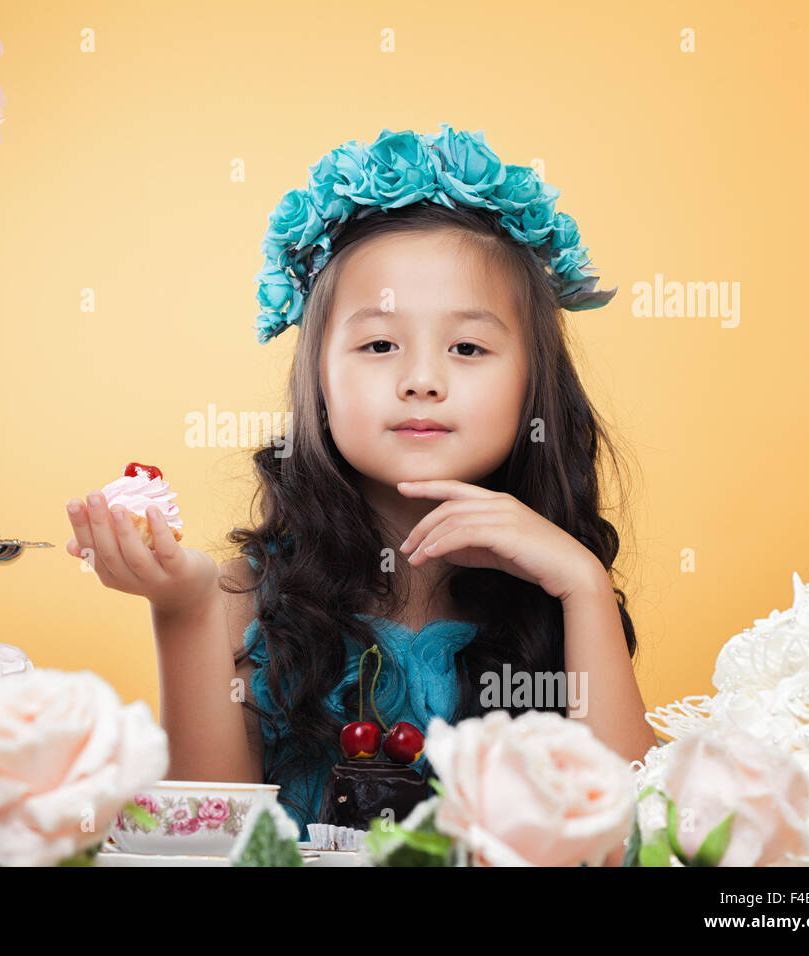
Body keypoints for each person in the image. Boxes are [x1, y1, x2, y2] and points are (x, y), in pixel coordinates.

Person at [65, 126, 657, 850]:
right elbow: (206, 854)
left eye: (468, 347)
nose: (421, 379)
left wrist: (583, 585)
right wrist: (184, 611)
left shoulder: (559, 605)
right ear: (318, 378)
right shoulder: (248, 603)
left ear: (535, 383)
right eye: (379, 345)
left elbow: (632, 842)